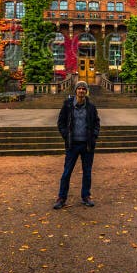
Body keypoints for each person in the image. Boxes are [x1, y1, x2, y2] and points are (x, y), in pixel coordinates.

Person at [53, 80, 100, 209]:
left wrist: (94, 136)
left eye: (83, 89)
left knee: (87, 172)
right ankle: (61, 198)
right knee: (67, 172)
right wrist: (65, 135)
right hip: (72, 145)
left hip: (87, 145)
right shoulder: (68, 105)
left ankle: (86, 196)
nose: (81, 91)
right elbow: (61, 122)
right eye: (79, 88)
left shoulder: (91, 106)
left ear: (86, 91)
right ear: (75, 90)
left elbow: (96, 122)